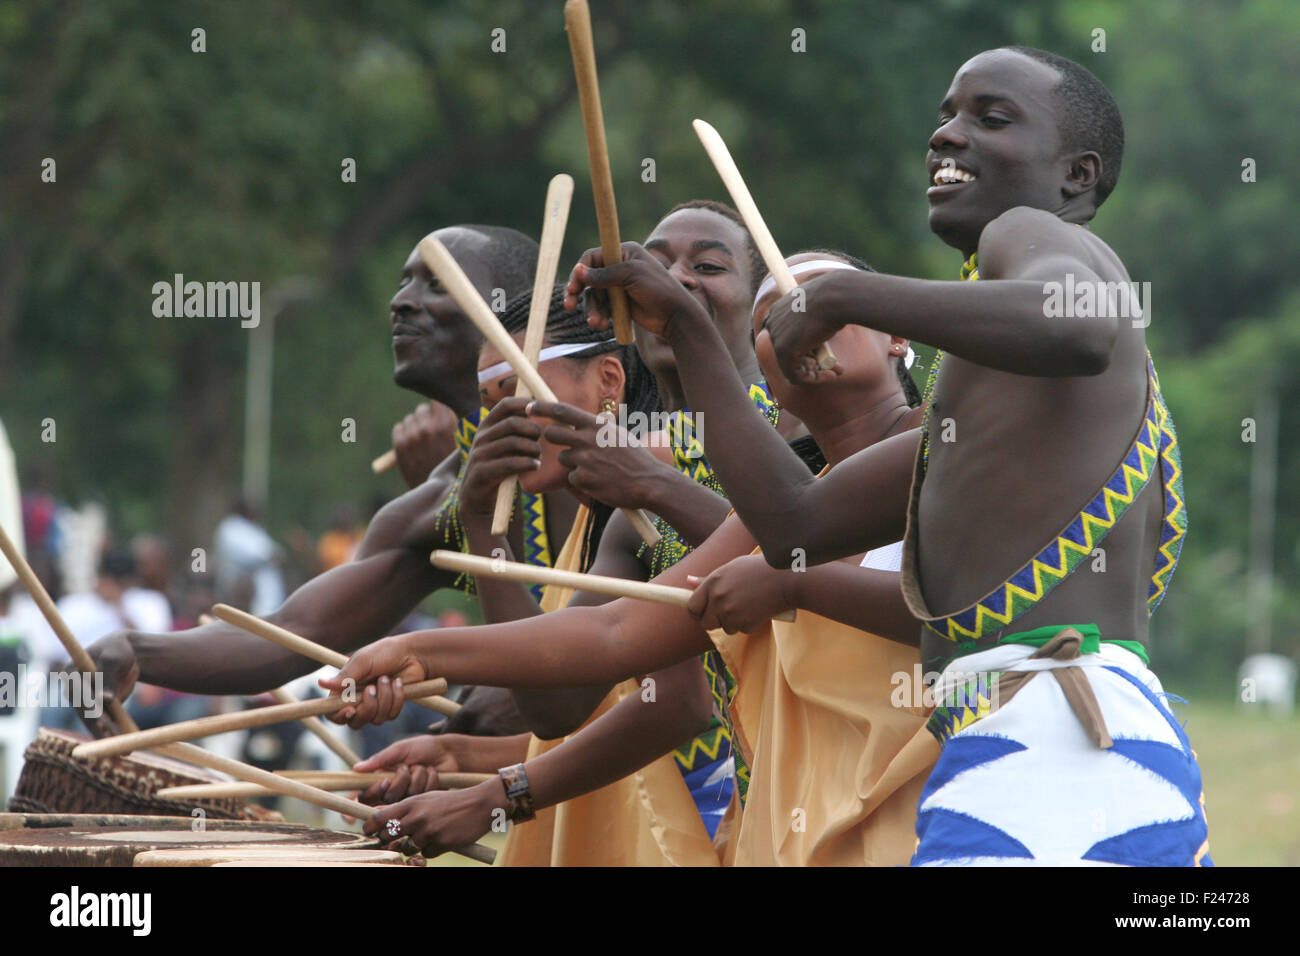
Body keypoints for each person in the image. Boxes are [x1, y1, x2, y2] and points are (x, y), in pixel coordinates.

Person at [595, 47, 1209, 866]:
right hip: (1067, 737)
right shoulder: (989, 399)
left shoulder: (1031, 235)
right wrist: (689, 331)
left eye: (990, 118)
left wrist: (847, 292)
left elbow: (1081, 323)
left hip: (1052, 742)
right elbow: (794, 524)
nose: (947, 135)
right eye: (946, 115)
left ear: (1076, 175)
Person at [322, 251, 933, 863]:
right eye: (774, 318)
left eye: (828, 299)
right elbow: (613, 636)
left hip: (937, 830)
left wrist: (794, 583)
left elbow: (970, 610)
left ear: (897, 335)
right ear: (765, 370)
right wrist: (418, 652)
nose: (803, 321)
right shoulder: (762, 522)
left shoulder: (950, 448)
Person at [76, 225, 551, 739]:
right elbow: (294, 635)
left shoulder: (583, 452)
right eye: (404, 283)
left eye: (436, 285)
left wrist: (477, 719)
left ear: (519, 312)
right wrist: (134, 650)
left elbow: (607, 646)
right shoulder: (435, 507)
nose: (401, 302)